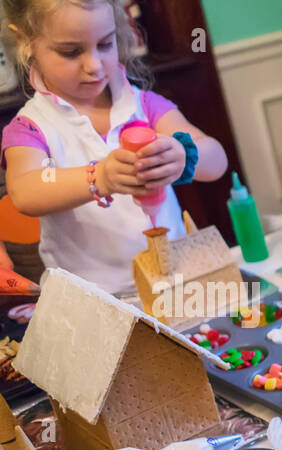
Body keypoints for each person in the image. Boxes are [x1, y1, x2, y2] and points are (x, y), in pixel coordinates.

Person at [0, 0, 228, 296]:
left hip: (175, 285)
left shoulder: (142, 105)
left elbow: (216, 161)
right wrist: (99, 179)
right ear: (26, 41)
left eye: (105, 44)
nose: (94, 65)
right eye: (71, 52)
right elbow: (26, 191)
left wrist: (184, 155)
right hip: (94, 301)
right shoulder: (33, 126)